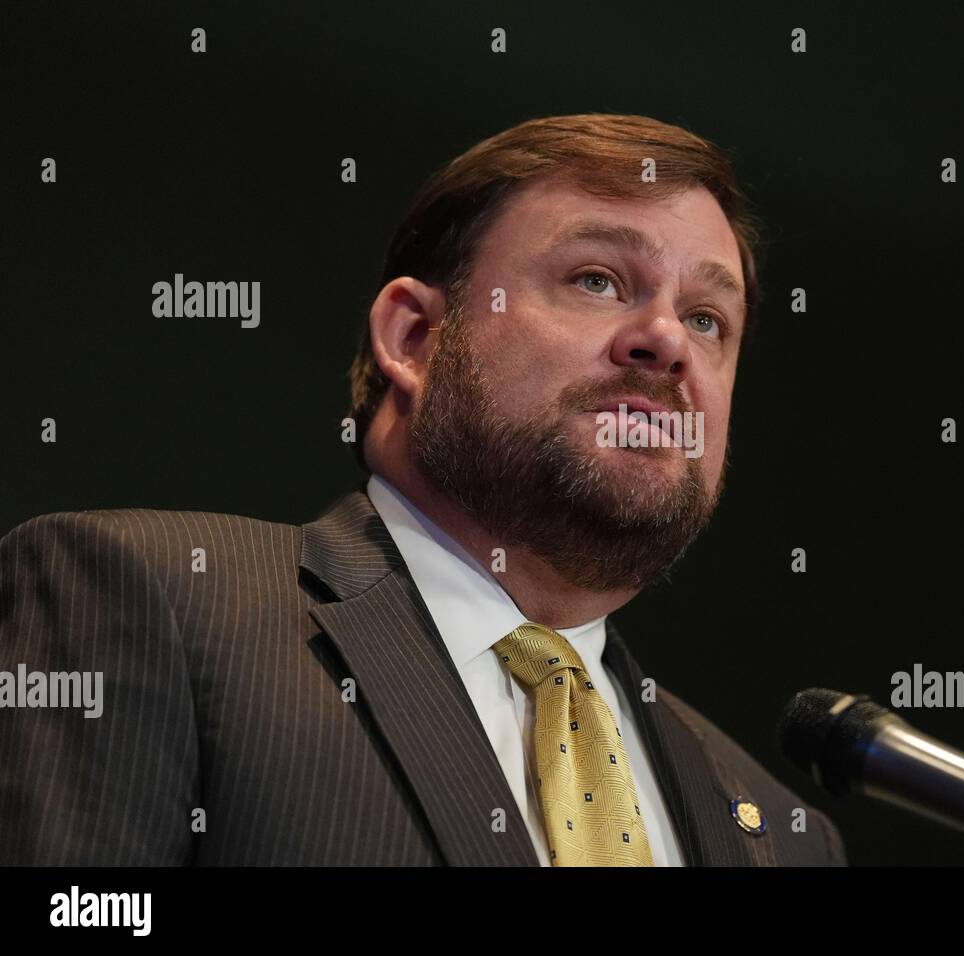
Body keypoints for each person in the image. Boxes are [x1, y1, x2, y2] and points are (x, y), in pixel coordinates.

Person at [0, 113, 846, 866]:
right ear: (414, 337)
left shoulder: (779, 829)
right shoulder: (153, 604)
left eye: (708, 319)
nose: (666, 341)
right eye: (597, 280)